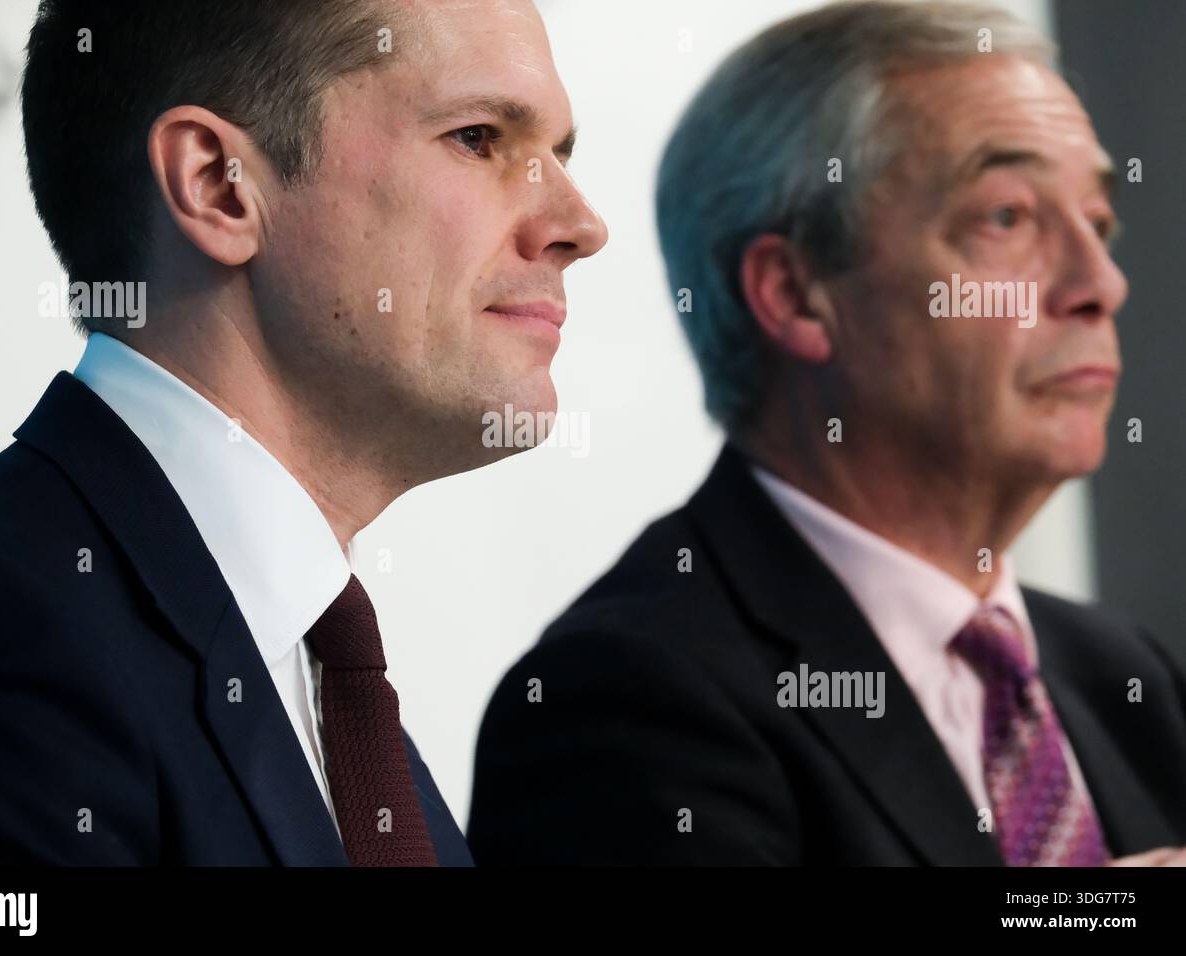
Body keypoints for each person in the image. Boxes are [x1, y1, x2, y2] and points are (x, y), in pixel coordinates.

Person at [0, 0, 606, 865]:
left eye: (559, 155)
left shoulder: (325, 680)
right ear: (219, 186)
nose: (581, 227)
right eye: (480, 138)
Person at [468, 0, 1186, 866]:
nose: (1100, 283)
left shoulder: (1125, 675)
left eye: (1097, 223)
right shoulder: (621, 701)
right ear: (796, 293)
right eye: (1008, 217)